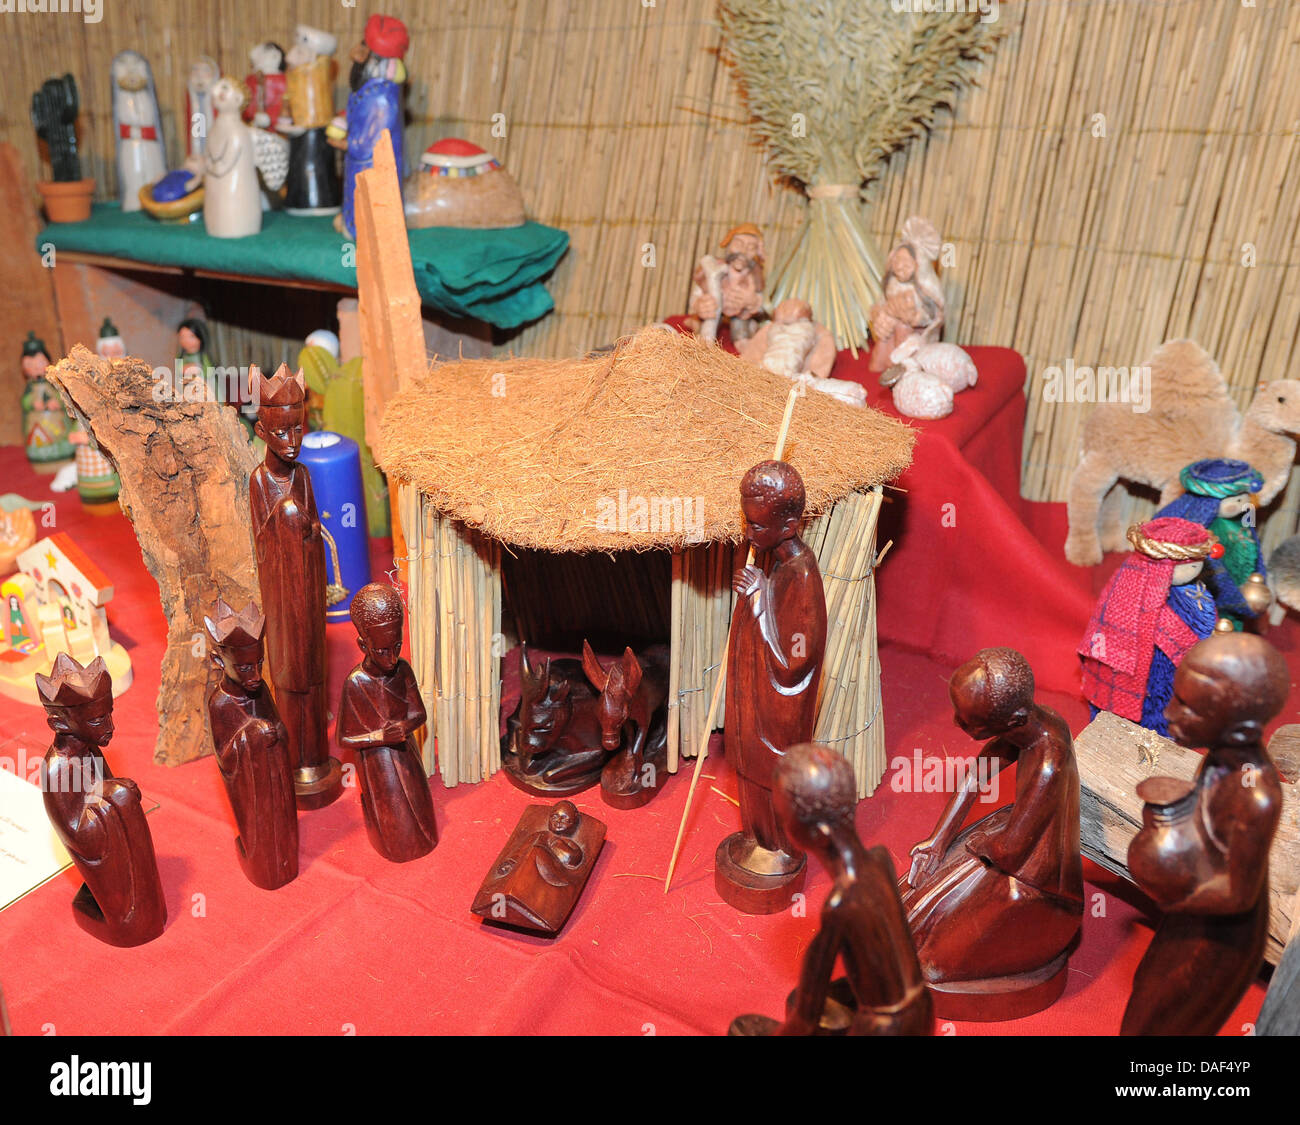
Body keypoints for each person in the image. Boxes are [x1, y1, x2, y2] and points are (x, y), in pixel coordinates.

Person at [900, 648, 1083, 1018]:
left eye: (967, 722)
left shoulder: (1050, 759)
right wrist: (938, 840)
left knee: (932, 962)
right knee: (908, 911)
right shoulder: (1030, 723)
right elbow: (976, 776)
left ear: (1012, 718)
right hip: (1005, 842)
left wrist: (972, 845)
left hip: (1035, 882)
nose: (955, 723)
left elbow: (1012, 850)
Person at [1122, 632, 1286, 1035]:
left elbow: (1238, 893)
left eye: (1189, 707)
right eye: (1177, 696)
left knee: (1166, 1022)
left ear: (1242, 727)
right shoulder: (1218, 758)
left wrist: (1168, 886)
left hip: (1220, 940)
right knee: (1145, 998)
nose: (1169, 712)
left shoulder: (1257, 794)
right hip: (1193, 914)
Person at [730, 744, 932, 1036]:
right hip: (923, 1009)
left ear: (814, 834)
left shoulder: (840, 905)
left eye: (786, 821)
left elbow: (806, 1016)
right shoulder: (880, 860)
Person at [717, 461, 827, 913]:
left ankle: (777, 847)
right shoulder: (771, 563)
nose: (747, 533)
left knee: (771, 775)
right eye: (745, 520)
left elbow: (797, 659)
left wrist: (760, 601)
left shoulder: (801, 574)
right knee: (748, 771)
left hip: (777, 710)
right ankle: (756, 837)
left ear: (790, 524)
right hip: (752, 703)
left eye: (757, 525)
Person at [250, 365, 341, 809]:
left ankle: (317, 757)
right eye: (282, 432)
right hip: (283, 603)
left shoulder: (302, 476)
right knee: (290, 679)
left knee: (315, 679)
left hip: (309, 596)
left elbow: (313, 536)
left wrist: (300, 528)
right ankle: (295, 759)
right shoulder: (259, 482)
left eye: (299, 429)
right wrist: (288, 519)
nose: (293, 441)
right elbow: (266, 544)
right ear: (261, 430)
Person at [37, 653, 166, 946]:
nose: (110, 726)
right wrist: (113, 796)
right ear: (59, 724)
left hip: (118, 851)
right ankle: (131, 915)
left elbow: (105, 786)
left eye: (109, 714)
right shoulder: (58, 768)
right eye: (97, 720)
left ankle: (147, 908)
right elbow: (76, 834)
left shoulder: (91, 749)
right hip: (101, 857)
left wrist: (115, 794)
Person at [1079, 517, 1220, 735]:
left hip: (1181, 672)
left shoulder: (1189, 587)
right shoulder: (1137, 594)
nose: (1197, 568)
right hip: (1154, 671)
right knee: (1155, 700)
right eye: (1191, 564)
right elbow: (1172, 635)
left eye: (1198, 562)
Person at [337, 582, 437, 862]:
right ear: (362, 645)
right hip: (377, 767)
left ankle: (419, 841)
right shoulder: (355, 683)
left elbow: (419, 714)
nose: (392, 658)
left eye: (397, 646)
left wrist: (404, 728)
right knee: (394, 823)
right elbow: (344, 739)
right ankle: (393, 845)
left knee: (420, 816)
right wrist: (381, 737)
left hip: (407, 757)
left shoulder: (402, 670)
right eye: (381, 650)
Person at [204, 598, 299, 890]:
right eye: (244, 668)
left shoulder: (259, 691)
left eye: (258, 664)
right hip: (252, 795)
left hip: (275, 784)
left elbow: (279, 729)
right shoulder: (220, 703)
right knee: (262, 838)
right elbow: (225, 758)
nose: (255, 675)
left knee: (283, 833)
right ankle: (263, 865)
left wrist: (276, 734)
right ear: (219, 662)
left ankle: (285, 859)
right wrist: (254, 734)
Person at [1155, 459, 1267, 626]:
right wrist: (1234, 597)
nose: (1243, 503)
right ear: (1210, 503)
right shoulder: (1200, 530)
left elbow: (1253, 540)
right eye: (1235, 500)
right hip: (1209, 595)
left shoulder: (1245, 517)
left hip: (1242, 587)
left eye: (1245, 497)